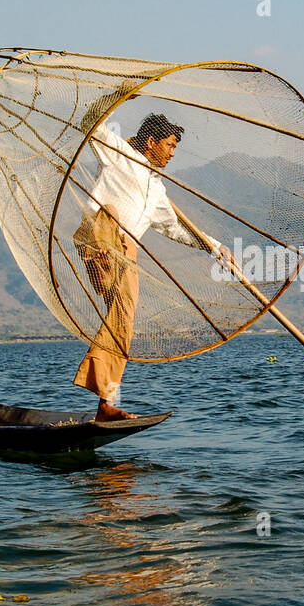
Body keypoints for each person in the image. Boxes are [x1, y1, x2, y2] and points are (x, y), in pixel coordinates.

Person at [72, 101, 231, 421]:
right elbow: (90, 123)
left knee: (122, 321)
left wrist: (215, 247)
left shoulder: (157, 190)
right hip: (101, 235)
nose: (172, 153)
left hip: (121, 250)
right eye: (170, 145)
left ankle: (105, 400)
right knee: (122, 313)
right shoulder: (120, 154)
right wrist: (114, 98)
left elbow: (177, 228)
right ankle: (105, 401)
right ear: (151, 142)